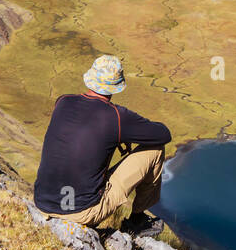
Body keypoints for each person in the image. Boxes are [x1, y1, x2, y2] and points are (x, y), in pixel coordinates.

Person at [34, 54, 171, 234]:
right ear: (116, 86)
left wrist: (120, 135)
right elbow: (163, 134)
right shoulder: (116, 116)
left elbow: (82, 129)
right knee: (155, 151)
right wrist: (127, 133)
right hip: (81, 212)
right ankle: (138, 221)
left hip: (42, 203)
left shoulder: (63, 101)